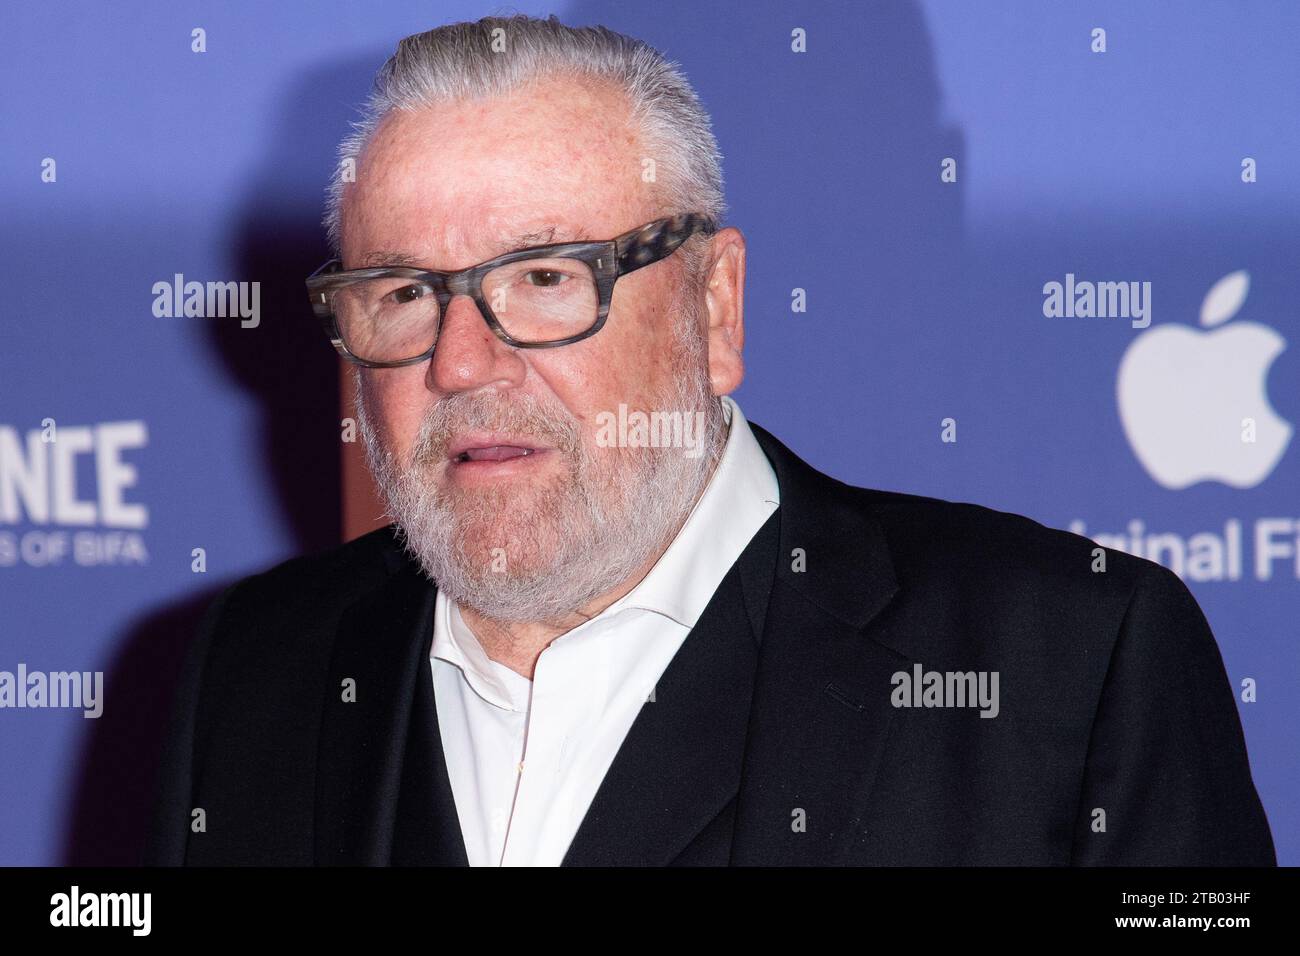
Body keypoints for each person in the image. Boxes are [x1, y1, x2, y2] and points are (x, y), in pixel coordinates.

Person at [147, 14, 1275, 866]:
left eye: (545, 278)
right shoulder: (257, 668)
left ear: (716, 308)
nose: (459, 362)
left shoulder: (1069, 667)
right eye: (401, 292)